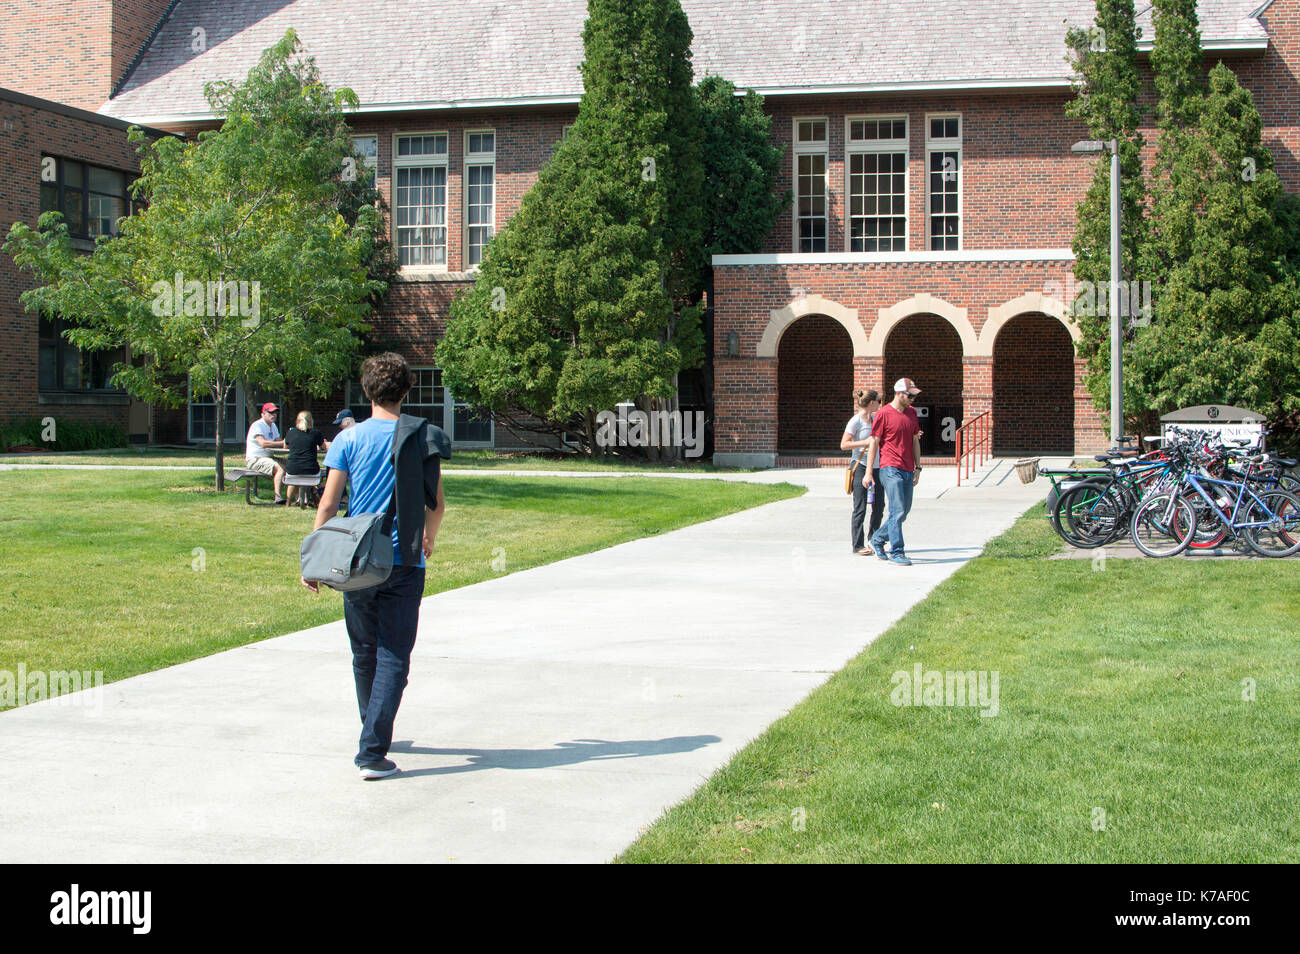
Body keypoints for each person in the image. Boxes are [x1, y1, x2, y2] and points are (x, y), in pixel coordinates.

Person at [302, 353, 448, 781]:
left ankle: (374, 727)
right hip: (404, 559)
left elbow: (328, 505)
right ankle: (372, 751)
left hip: (356, 560)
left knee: (364, 652)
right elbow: (436, 504)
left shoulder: (347, 440)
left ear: (366, 391)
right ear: (407, 391)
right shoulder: (421, 436)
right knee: (394, 655)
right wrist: (429, 537)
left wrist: (313, 560)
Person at [865, 378, 924, 566]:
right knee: (896, 509)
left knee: (903, 511)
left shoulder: (912, 413)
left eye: (914, 396)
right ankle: (897, 552)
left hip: (908, 468)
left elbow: (915, 440)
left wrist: (918, 467)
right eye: (910, 395)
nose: (913, 399)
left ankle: (877, 539)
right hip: (889, 467)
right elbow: (873, 442)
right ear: (898, 393)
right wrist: (868, 473)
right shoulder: (883, 414)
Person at [842, 388, 885, 555]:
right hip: (860, 466)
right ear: (871, 403)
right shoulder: (856, 421)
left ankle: (874, 539)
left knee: (879, 505)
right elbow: (844, 444)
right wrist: (864, 442)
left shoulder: (875, 419)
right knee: (860, 507)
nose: (880, 404)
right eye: (879, 401)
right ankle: (858, 545)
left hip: (877, 467)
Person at [245, 402, 288, 505]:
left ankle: (298, 498)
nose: (274, 415)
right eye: (271, 412)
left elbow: (280, 442)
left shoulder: (273, 426)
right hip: (255, 459)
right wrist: (283, 443)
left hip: (269, 457)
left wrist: (291, 442)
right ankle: (278, 497)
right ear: (263, 414)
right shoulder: (257, 425)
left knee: (293, 465)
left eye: (275, 413)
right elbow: (263, 443)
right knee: (280, 468)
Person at [284, 411, 330, 506]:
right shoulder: (316, 433)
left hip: (292, 470)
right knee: (320, 480)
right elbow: (323, 447)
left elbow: (285, 446)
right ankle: (322, 501)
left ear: (297, 421)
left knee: (293, 479)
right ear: (311, 421)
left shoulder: (291, 432)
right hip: (311, 471)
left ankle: (288, 502)